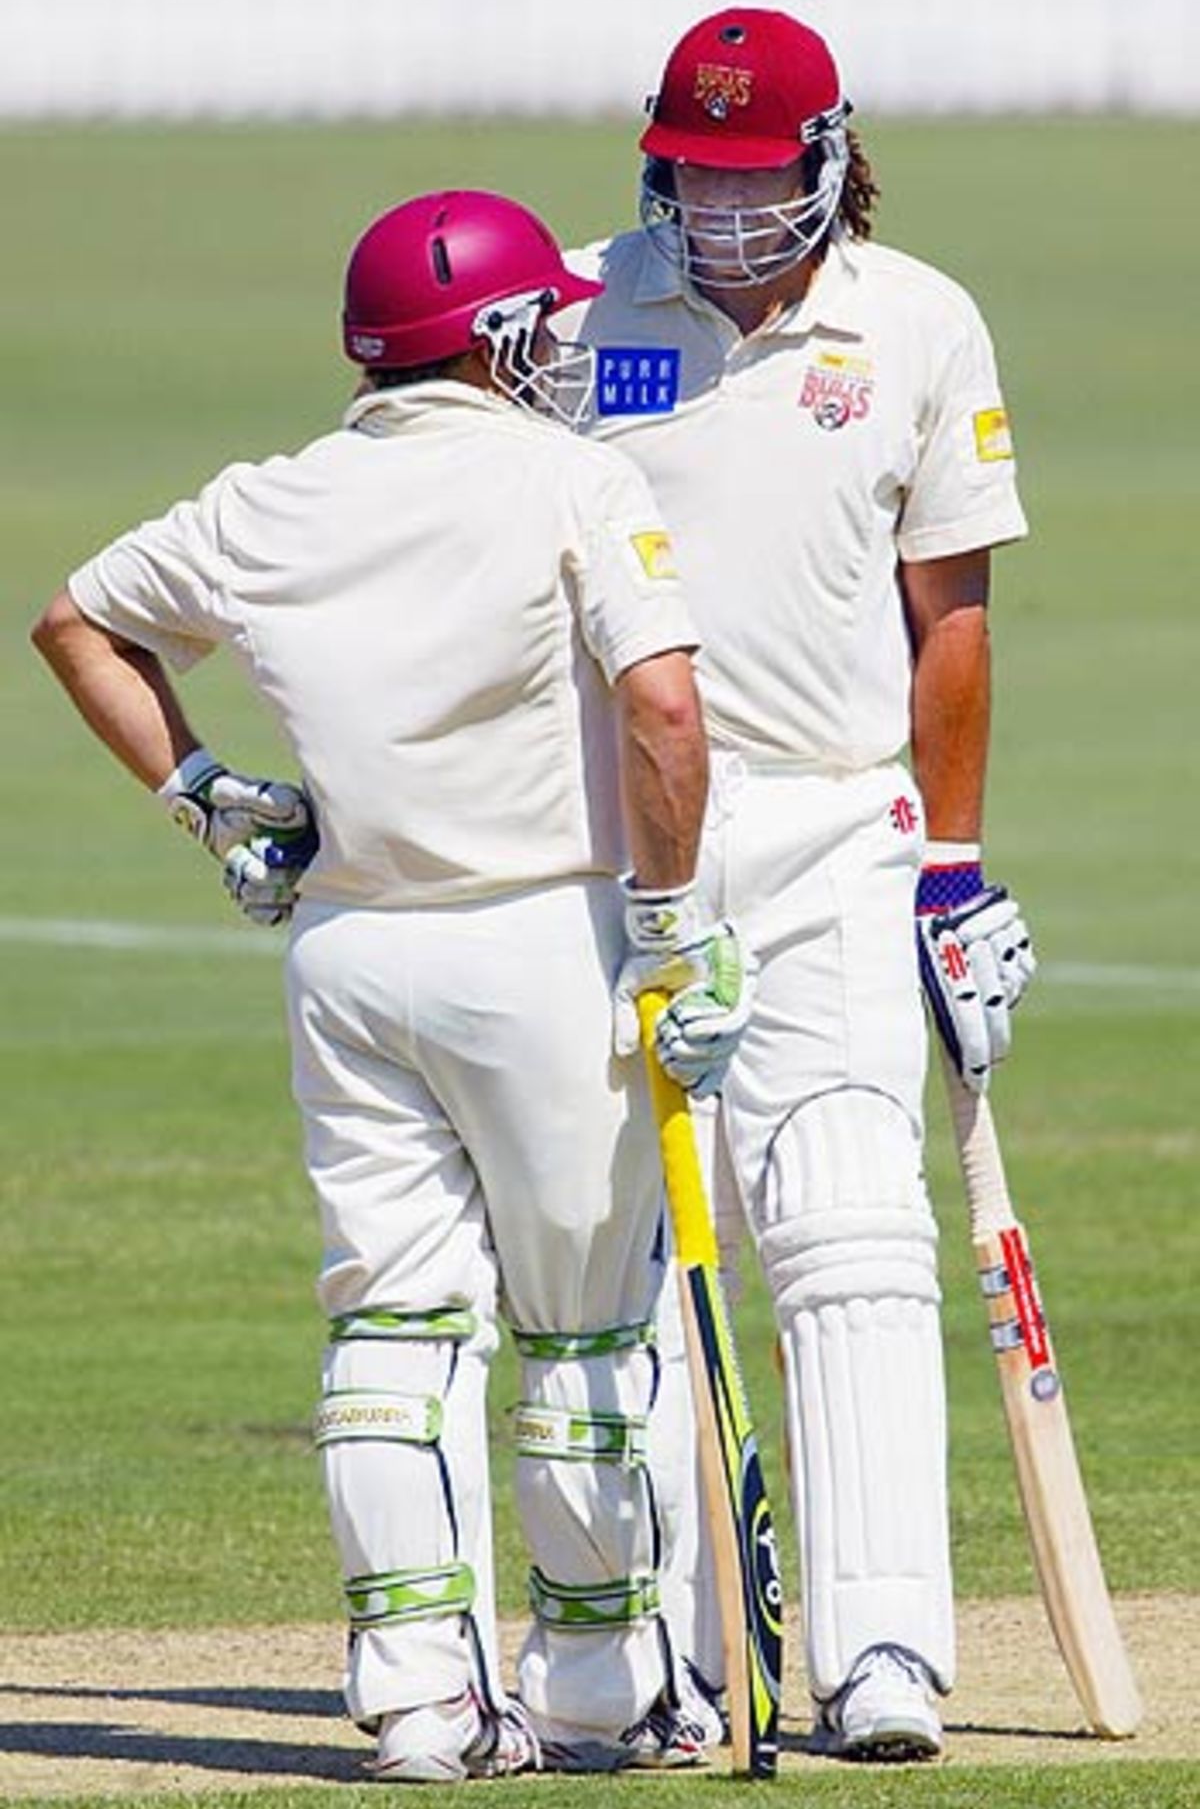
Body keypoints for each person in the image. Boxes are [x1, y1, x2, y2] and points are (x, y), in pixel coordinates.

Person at [31, 187, 755, 1779]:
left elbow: (76, 622)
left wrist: (210, 796)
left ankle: (423, 1701)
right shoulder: (575, 476)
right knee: (583, 1338)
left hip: (351, 951)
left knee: (393, 1330)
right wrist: (673, 923)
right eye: (540, 323)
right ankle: (597, 1686)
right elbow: (665, 709)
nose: (561, 344)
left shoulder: (267, 498)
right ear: (493, 338)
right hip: (545, 944)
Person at [559, 7, 1037, 1761]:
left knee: (850, 1220)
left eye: (758, 177)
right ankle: (674, 1655)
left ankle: (883, 1643)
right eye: (697, 177)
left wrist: (954, 871)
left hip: (838, 818)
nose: (727, 212)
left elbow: (951, 617)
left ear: (830, 159)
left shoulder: (918, 321)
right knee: (636, 1246)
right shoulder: (574, 309)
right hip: (627, 834)